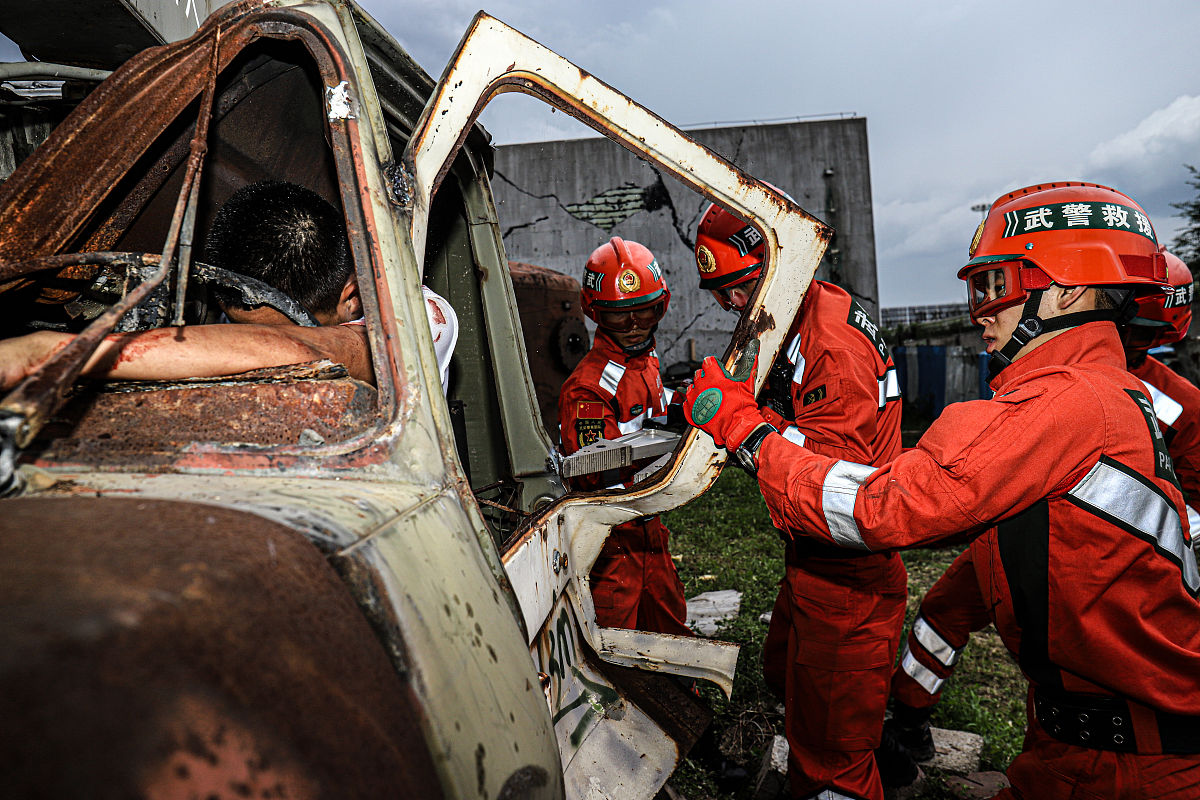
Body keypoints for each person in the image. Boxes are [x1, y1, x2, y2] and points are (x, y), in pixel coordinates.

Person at [683, 181, 1200, 799]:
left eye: (994, 287)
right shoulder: (1096, 392)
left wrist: (743, 429)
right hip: (1086, 742)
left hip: (1131, 766)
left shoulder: (1067, 402)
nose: (979, 310)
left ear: (1067, 291)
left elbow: (880, 508)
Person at [693, 201, 905, 800]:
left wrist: (737, 419)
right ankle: (869, 747)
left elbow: (832, 489)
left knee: (830, 763)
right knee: (784, 674)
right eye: (721, 293)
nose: (734, 306)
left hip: (848, 575)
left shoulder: (829, 348)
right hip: (816, 568)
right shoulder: (813, 313)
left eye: (740, 286)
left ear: (778, 263)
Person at [0, 180, 374, 389]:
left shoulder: (423, 320)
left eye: (266, 328)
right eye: (242, 326)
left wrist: (46, 353)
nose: (249, 336)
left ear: (352, 297)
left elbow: (311, 349)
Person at [557, 236, 690, 636]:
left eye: (645, 313)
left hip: (649, 528)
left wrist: (689, 404)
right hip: (612, 540)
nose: (634, 327)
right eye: (619, 316)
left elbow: (656, 405)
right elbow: (592, 469)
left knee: (669, 630)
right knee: (612, 643)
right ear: (595, 313)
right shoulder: (589, 388)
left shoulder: (645, 361)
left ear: (661, 307)